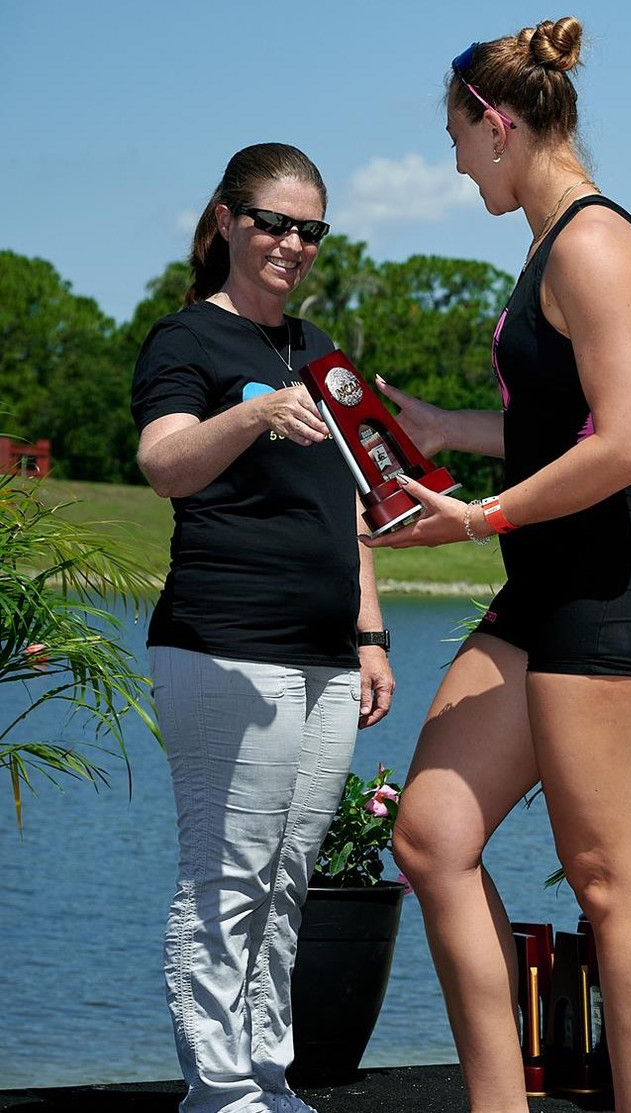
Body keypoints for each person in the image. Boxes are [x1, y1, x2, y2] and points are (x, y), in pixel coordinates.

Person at [365, 18, 631, 1113]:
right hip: (547, 580)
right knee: (431, 837)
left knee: (609, 881)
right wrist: (449, 428)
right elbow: (565, 427)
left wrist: (476, 520)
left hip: (606, 584)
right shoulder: (552, 242)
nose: (454, 163)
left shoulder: (594, 242)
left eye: (457, 138)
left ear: (498, 126)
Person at [132, 141, 395, 1113]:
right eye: (274, 223)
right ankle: (217, 1090)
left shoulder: (322, 353)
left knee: (288, 883)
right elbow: (164, 462)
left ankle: (268, 1079)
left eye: (310, 230)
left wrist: (369, 635)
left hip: (327, 657)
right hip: (219, 645)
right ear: (226, 223)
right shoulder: (186, 341)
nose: (292, 243)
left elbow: (356, 505)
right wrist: (254, 417)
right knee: (226, 878)